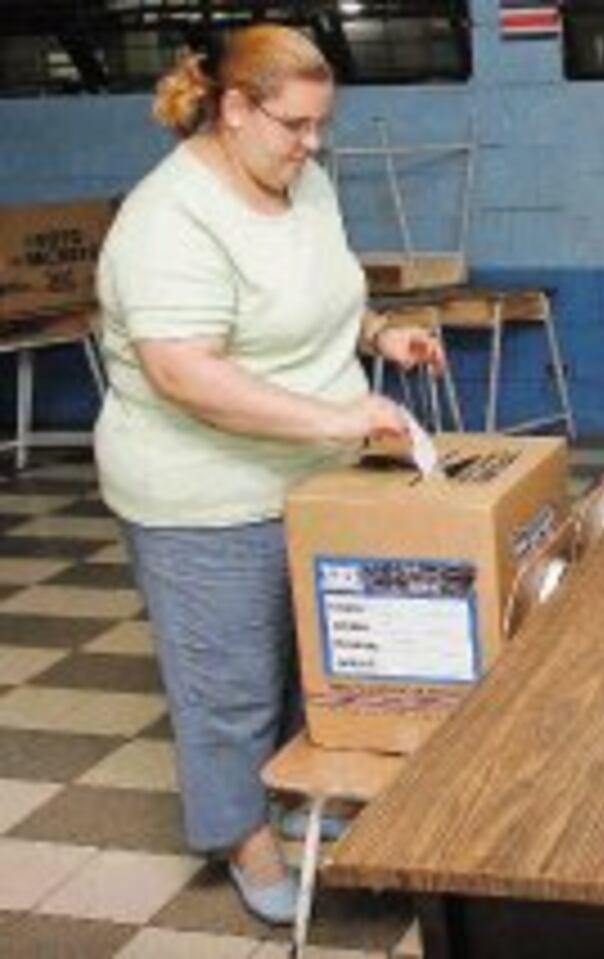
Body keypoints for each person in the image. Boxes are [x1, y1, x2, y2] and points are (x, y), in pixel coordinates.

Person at [94, 26, 441, 924]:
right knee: (229, 684)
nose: (312, 144)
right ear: (234, 109)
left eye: (321, 125)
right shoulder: (168, 218)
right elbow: (183, 370)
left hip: (310, 481)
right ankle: (242, 841)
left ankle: (289, 794)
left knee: (305, 658)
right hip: (203, 493)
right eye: (294, 125)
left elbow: (331, 289)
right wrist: (337, 417)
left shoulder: (303, 181)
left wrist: (376, 335)